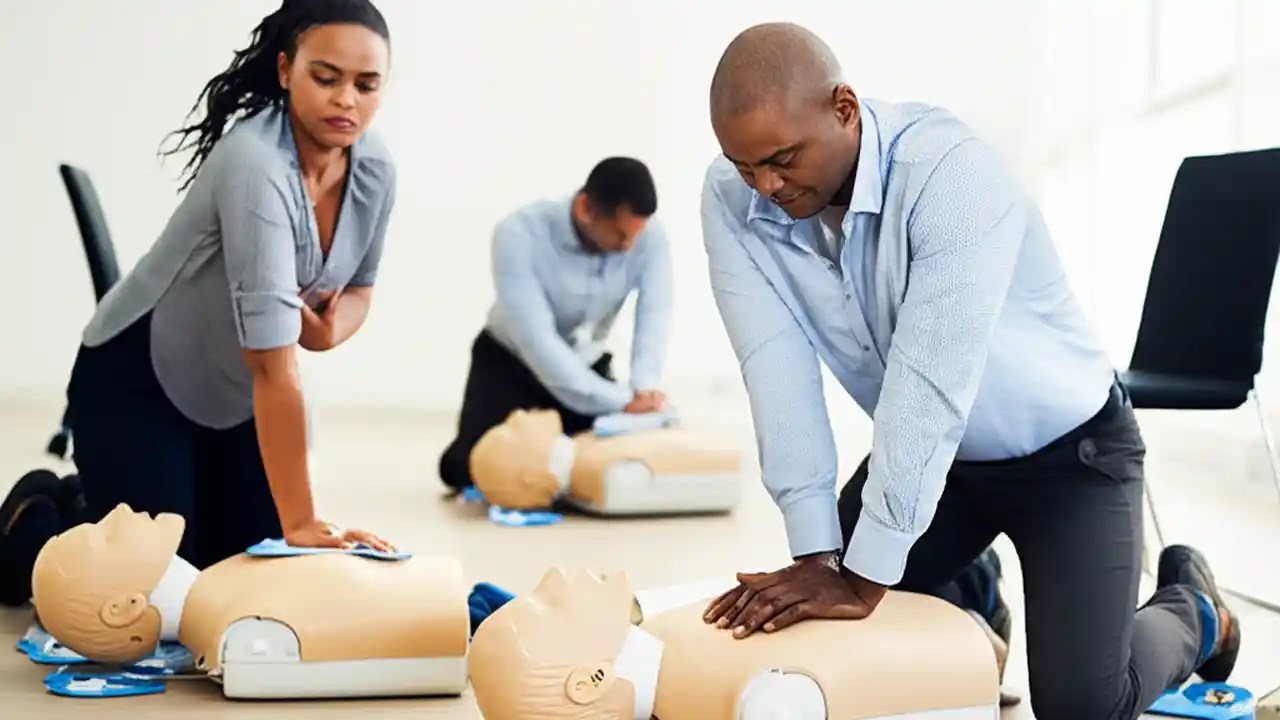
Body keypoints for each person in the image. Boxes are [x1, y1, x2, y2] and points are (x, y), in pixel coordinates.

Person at [697, 22, 1240, 720]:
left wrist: (863, 576)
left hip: (1072, 460)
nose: (765, 186)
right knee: (823, 628)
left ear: (844, 108)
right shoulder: (730, 196)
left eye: (782, 159)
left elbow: (929, 382)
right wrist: (819, 554)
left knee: (1084, 705)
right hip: (942, 468)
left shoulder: (950, 172)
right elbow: (774, 367)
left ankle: (1197, 609)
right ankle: (972, 590)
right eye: (745, 166)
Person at [0, 0, 397, 608]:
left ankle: (105, 493)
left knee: (244, 579)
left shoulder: (375, 170)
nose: (347, 100)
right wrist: (301, 523)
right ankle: (47, 512)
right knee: (154, 597)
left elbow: (360, 290)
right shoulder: (255, 164)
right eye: (326, 77)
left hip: (231, 397)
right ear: (286, 70)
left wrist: (323, 332)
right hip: (136, 381)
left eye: (366, 85)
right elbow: (272, 364)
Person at [437, 157, 674, 492]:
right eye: (620, 234)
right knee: (467, 468)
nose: (629, 247)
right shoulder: (519, 234)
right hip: (511, 361)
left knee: (606, 467)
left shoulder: (648, 237)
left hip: (585, 361)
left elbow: (655, 312)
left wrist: (644, 388)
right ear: (585, 209)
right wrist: (620, 401)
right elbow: (538, 341)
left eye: (636, 235)